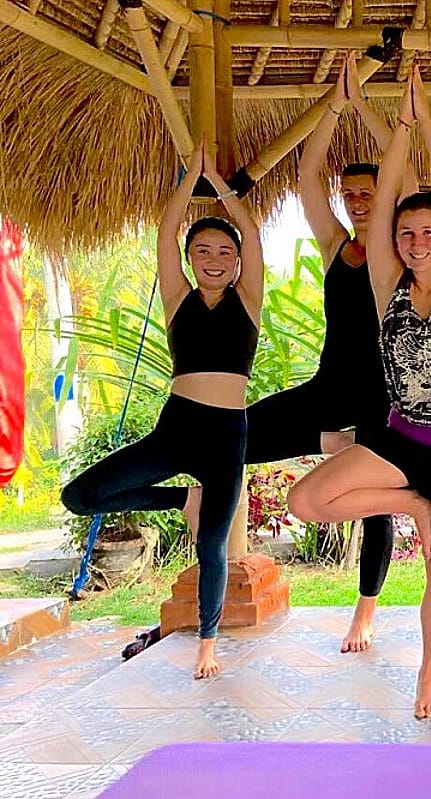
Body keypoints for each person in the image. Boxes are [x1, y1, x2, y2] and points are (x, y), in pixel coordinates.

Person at [286, 66, 431, 719]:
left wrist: (426, 125)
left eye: (429, 232)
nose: (416, 240)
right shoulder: (386, 284)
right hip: (404, 442)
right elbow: (380, 223)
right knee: (307, 498)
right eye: (407, 234)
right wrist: (398, 131)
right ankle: (413, 501)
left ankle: (428, 679)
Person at [61, 142, 264, 680]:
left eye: (225, 252)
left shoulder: (248, 300)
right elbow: (164, 233)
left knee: (213, 543)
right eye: (203, 252)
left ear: (238, 261)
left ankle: (207, 641)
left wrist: (220, 188)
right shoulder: (179, 298)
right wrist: (187, 185)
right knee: (79, 496)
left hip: (226, 435)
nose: (214, 259)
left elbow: (256, 234)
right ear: (191, 260)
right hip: (177, 429)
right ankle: (181, 495)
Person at [244, 54, 408, 654]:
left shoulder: (398, 247)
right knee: (244, 432)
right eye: (351, 194)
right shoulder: (337, 243)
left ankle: (365, 612)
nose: (358, 201)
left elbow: (406, 172)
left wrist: (364, 105)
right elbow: (309, 176)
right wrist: (336, 106)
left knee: (374, 512)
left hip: (383, 394)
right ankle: (330, 444)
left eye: (367, 193)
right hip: (330, 383)